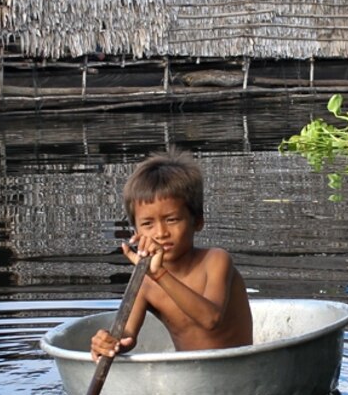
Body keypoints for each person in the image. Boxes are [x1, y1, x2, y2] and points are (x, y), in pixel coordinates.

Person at [90, 150, 253, 361]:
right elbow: (126, 335)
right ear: (136, 233)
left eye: (172, 220)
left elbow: (211, 319)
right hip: (186, 377)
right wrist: (107, 343)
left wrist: (159, 274)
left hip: (237, 368)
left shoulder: (215, 261)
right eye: (148, 224)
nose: (160, 233)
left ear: (197, 221)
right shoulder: (144, 282)